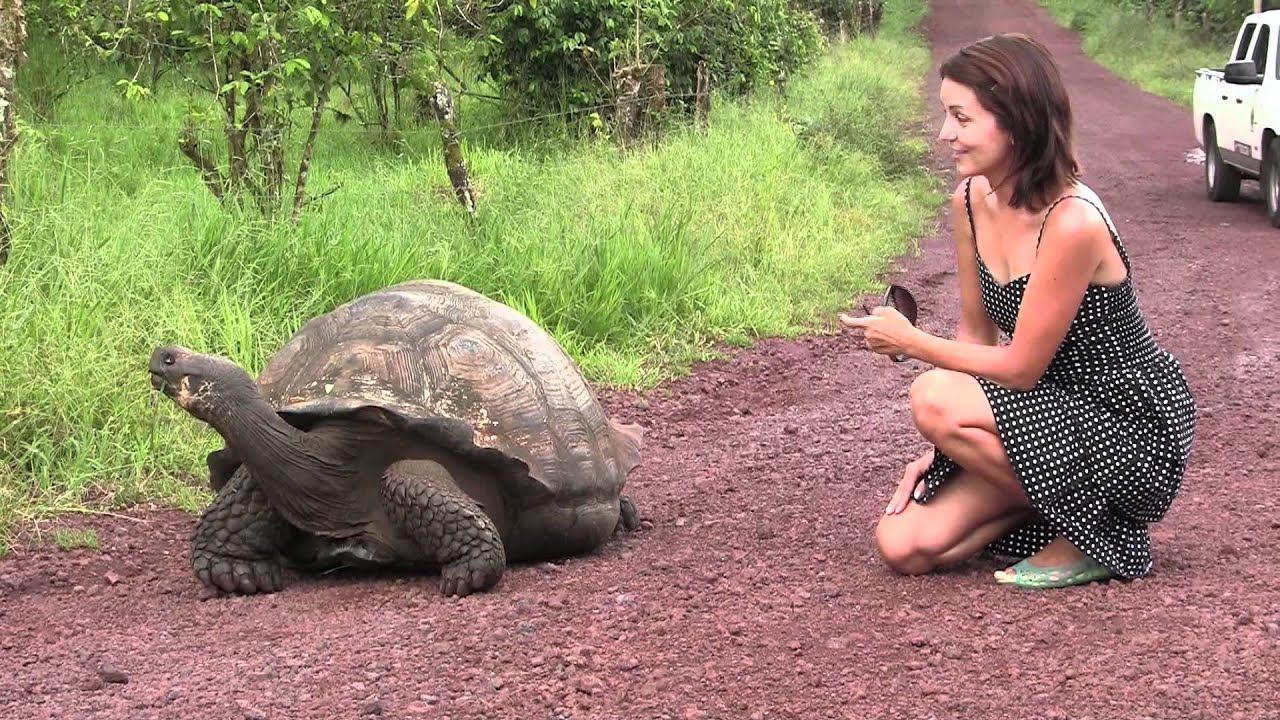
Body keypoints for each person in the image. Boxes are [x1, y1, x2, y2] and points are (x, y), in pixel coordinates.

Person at [839, 33, 1197, 589]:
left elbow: (1021, 366)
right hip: (1041, 419)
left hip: (1124, 425)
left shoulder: (1072, 219)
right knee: (902, 543)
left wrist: (910, 342)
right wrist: (947, 449)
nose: (945, 134)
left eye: (961, 117)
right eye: (946, 115)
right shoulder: (968, 202)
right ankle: (1060, 513)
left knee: (930, 394)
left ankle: (1104, 535)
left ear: (1016, 121)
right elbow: (977, 337)